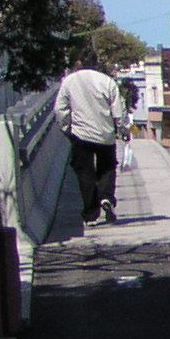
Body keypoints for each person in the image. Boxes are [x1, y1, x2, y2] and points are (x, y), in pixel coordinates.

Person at [55, 50, 131, 227]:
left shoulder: (69, 81)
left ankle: (90, 214)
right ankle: (106, 198)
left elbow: (60, 109)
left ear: (79, 62)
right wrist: (124, 129)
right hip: (105, 134)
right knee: (107, 167)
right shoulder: (107, 81)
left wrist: (66, 128)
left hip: (81, 134)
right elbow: (119, 111)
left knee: (85, 173)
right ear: (96, 63)